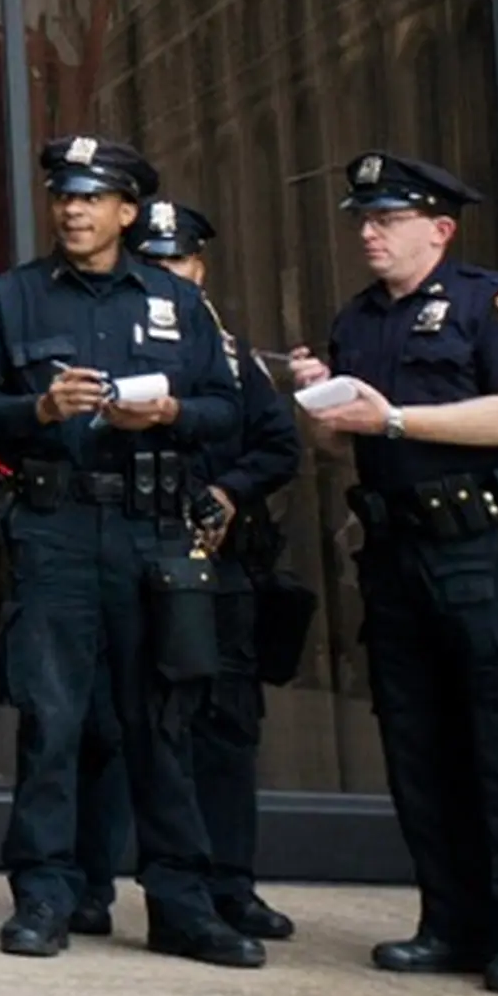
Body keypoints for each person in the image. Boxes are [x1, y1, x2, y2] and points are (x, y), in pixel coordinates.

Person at [0, 137, 258, 968]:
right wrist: (41, 409)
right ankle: (46, 896)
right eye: (63, 195)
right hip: (55, 528)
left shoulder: (177, 302)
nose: (73, 210)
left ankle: (181, 904)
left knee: (161, 721)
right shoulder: (11, 298)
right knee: (51, 720)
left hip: (152, 532)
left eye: (92, 198)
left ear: (128, 211)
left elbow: (228, 408)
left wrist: (167, 418)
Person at [289, 151, 498, 996]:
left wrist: (400, 417)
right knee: (422, 747)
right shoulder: (359, 319)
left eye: (387, 219)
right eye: (363, 220)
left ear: (439, 229)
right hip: (398, 554)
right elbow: (344, 443)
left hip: (488, 554)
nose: (369, 233)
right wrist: (319, 406)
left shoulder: (494, 304)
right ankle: (450, 922)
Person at [129, 196, 302, 944]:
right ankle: (93, 884)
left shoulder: (230, 356)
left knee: (225, 727)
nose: (167, 274)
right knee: (130, 725)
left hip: (216, 561)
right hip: (132, 553)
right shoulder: (115, 342)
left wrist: (229, 492)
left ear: (200, 269)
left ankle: (229, 884)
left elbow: (277, 445)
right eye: (153, 262)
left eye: (179, 262)